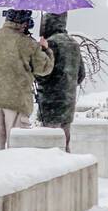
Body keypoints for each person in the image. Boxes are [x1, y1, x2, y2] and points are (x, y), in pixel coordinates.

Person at [0, 9, 54, 150]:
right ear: (26, 23)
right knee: (17, 149)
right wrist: (45, 49)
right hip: (16, 100)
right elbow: (44, 68)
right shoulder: (29, 44)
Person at [35, 12, 85, 150]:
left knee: (50, 147)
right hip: (68, 104)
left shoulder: (50, 44)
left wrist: (41, 50)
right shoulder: (74, 44)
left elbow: (42, 74)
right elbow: (81, 75)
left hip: (50, 105)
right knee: (65, 143)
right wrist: (67, 85)